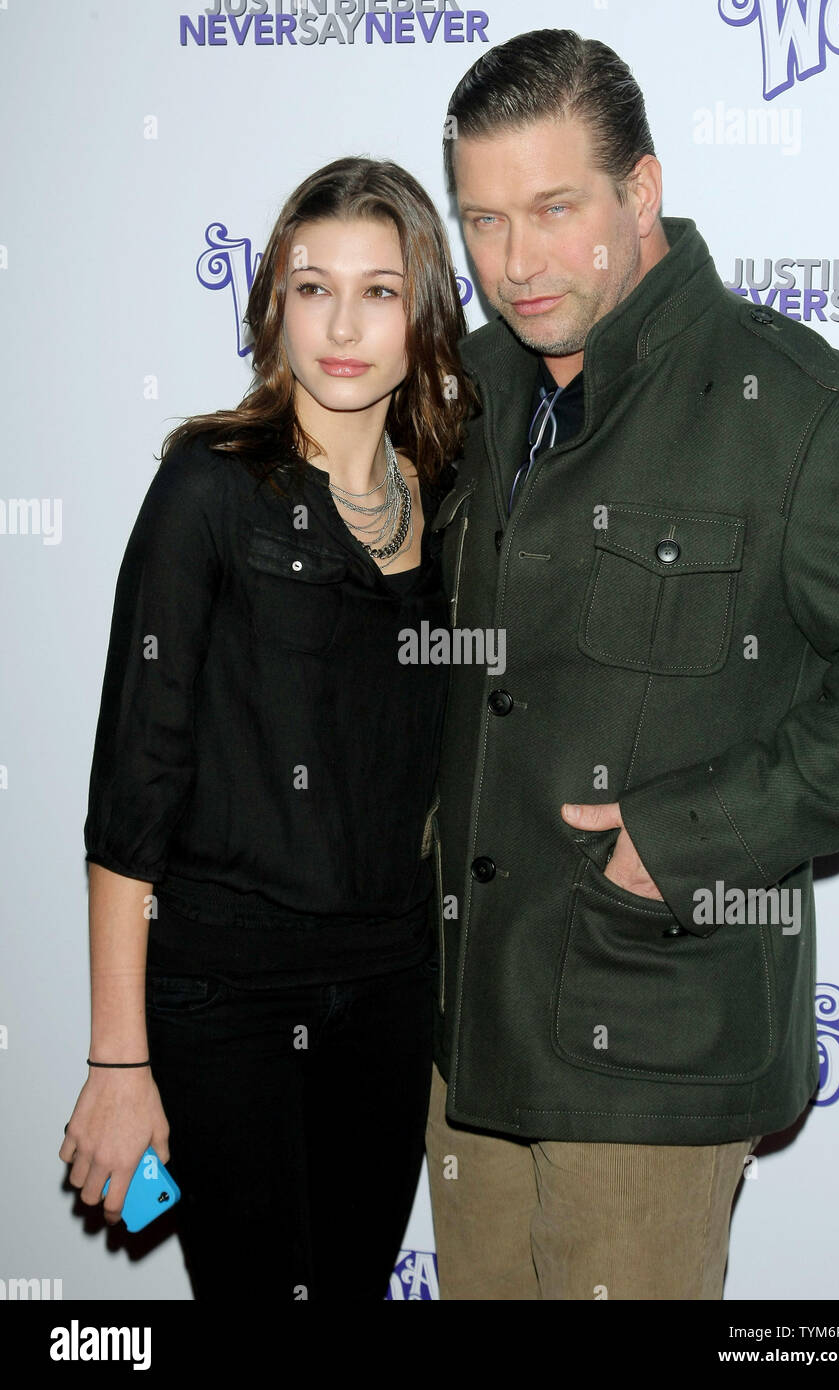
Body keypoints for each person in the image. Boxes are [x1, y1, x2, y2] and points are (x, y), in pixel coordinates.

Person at [424, 28, 839, 1300]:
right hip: (463, 1041)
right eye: (481, 220)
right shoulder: (464, 392)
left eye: (553, 208)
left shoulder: (805, 409)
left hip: (652, 1043)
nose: (514, 263)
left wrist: (685, 837)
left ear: (641, 192)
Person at [59, 156, 477, 1301]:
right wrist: (118, 1058)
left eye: (380, 290)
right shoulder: (209, 490)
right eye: (311, 286)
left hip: (391, 992)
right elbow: (129, 794)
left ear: (425, 315)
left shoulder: (449, 503)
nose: (343, 323)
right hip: (226, 997)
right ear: (271, 308)